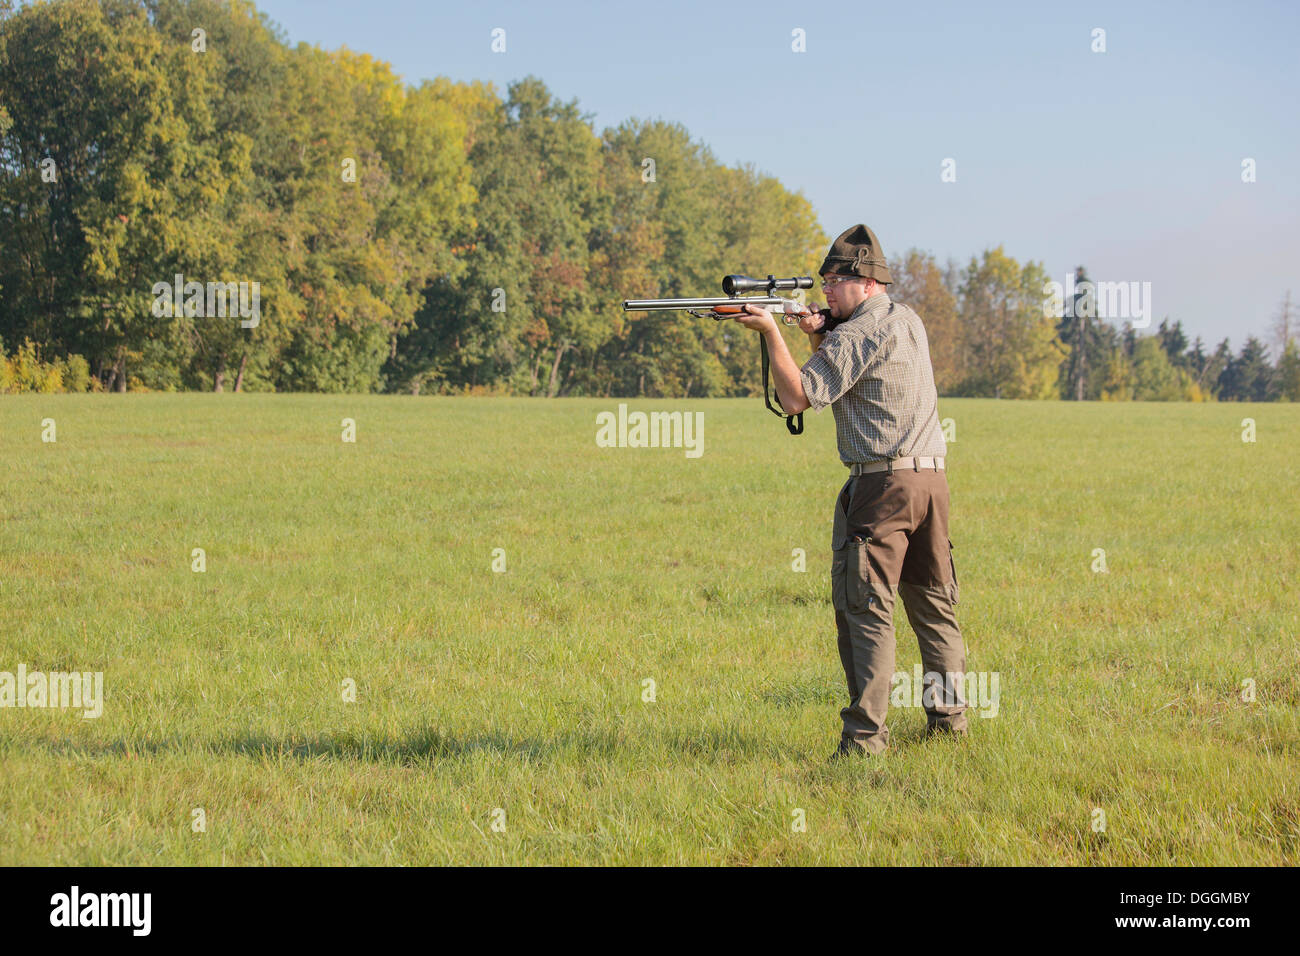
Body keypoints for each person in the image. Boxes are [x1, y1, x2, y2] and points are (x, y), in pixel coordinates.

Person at [732, 224, 967, 758]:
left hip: (881, 488)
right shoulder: (907, 320)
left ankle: (864, 742)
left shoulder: (856, 334)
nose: (826, 292)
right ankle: (949, 725)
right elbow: (851, 376)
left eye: (836, 282)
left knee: (866, 612)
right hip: (931, 482)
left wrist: (771, 332)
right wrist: (819, 332)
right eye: (824, 283)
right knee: (935, 609)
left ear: (866, 281)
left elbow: (798, 398)